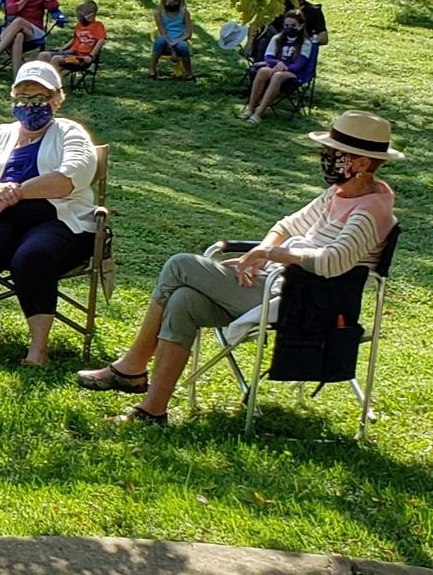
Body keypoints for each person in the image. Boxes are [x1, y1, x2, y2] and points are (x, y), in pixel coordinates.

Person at [75, 109, 401, 425]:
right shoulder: (338, 193)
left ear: (362, 163)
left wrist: (271, 255)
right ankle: (153, 410)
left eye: (334, 152)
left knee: (179, 265)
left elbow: (333, 262)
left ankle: (132, 366)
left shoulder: (370, 211)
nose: (325, 157)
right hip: (279, 285)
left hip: (306, 302)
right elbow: (287, 225)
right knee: (184, 301)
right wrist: (260, 252)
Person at [0, 60, 100, 366]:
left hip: (58, 220)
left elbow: (69, 178)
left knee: (33, 255)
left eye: (38, 98)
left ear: (57, 100)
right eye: (22, 98)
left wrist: (18, 192)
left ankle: (38, 350)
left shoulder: (70, 133)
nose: (29, 106)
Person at [242, 0, 318, 121]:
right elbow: (268, 58)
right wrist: (279, 63)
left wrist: (283, 67)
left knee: (278, 76)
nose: (289, 28)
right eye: (286, 25)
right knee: (262, 71)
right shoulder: (277, 38)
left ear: (301, 26)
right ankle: (250, 108)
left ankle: (259, 113)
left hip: (293, 72)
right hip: (276, 67)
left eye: (293, 26)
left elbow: (298, 65)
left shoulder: (305, 43)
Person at [248, 0, 328, 63]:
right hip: (273, 47)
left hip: (296, 51)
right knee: (265, 33)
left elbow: (323, 38)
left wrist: (301, 41)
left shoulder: (313, 11)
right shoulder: (278, 7)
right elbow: (257, 24)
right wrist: (249, 43)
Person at [150, 0, 194, 79]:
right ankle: (152, 70)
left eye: (174, 3)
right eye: (169, 4)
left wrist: (176, 42)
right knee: (160, 41)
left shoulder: (184, 12)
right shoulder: (158, 13)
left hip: (179, 40)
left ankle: (189, 73)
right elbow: (163, 32)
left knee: (183, 47)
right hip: (166, 39)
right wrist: (172, 49)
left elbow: (188, 34)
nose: (172, 6)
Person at [57, 0, 106, 70]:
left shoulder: (97, 26)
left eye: (80, 16)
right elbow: (75, 38)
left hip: (82, 58)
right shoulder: (79, 25)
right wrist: (62, 48)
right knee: (44, 55)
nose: (78, 18)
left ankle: (53, 77)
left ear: (91, 15)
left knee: (56, 59)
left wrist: (91, 56)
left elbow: (101, 41)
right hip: (72, 52)